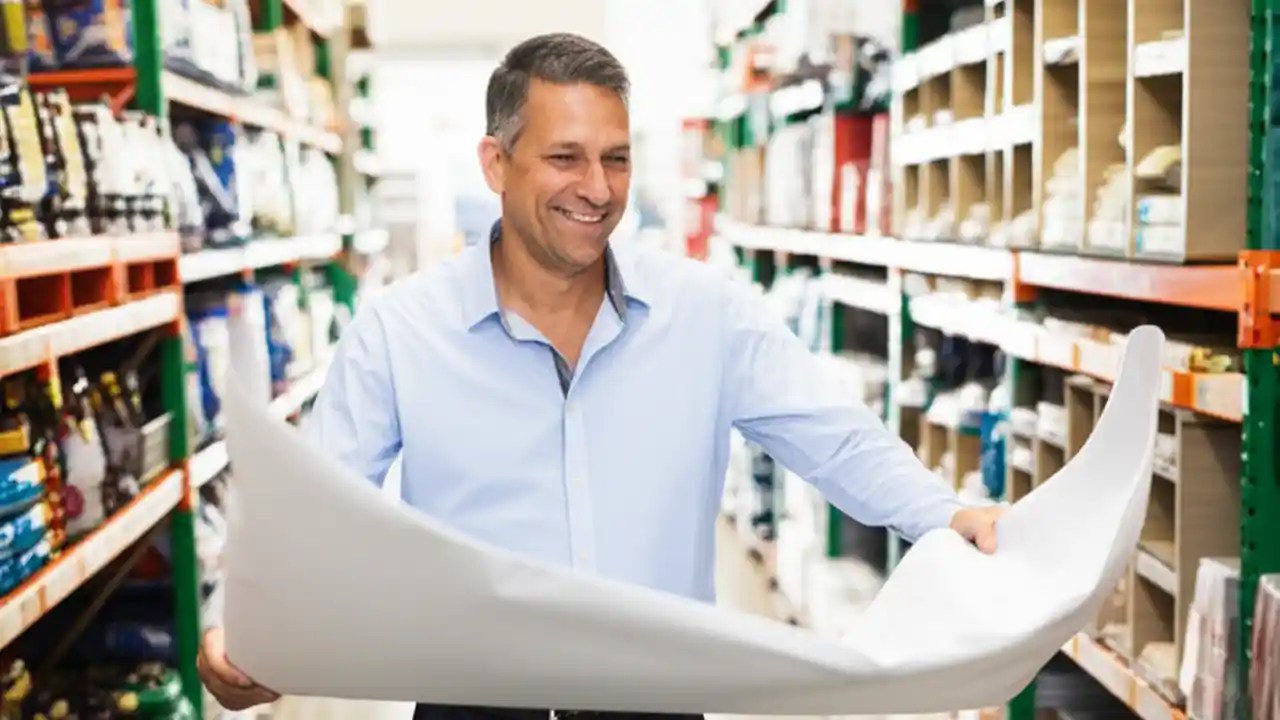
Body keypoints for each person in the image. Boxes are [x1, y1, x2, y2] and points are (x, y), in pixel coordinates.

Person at [198, 32, 1006, 720]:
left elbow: (836, 439)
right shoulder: (400, 332)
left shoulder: (706, 315)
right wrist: (255, 633)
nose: (597, 189)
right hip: (473, 704)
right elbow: (318, 512)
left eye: (616, 159)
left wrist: (945, 515)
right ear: (495, 163)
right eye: (565, 158)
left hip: (656, 701)